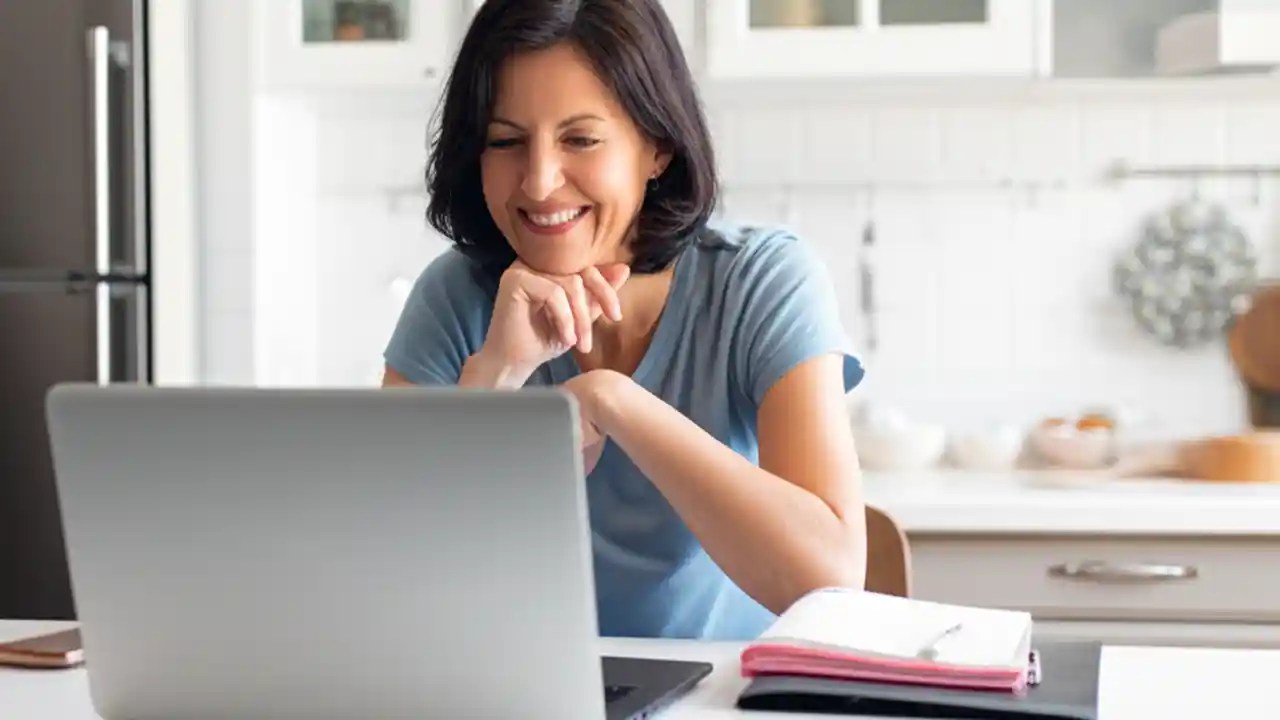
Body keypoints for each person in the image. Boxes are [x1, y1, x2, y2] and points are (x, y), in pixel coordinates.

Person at [382, 0, 866, 641]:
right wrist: (498, 374)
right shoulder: (457, 295)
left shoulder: (761, 281)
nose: (539, 181)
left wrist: (611, 400)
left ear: (656, 147)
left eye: (580, 139)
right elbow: (385, 577)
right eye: (506, 141)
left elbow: (829, 579)